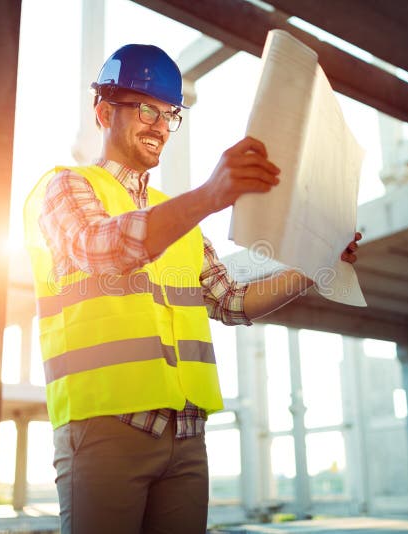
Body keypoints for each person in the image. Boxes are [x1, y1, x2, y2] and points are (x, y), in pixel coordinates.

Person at [23, 44, 361, 534]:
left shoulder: (178, 218)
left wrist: (317, 265)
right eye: (146, 110)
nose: (160, 126)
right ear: (104, 112)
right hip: (105, 428)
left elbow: (233, 301)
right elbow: (101, 248)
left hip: (186, 436)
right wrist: (208, 196)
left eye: (170, 115)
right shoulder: (68, 188)